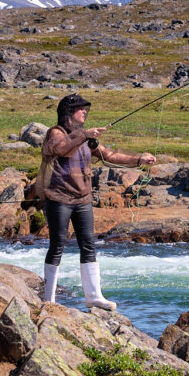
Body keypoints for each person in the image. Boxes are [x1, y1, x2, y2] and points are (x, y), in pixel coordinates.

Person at [37, 93, 154, 309]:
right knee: (57, 245)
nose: (85, 112)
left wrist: (138, 160)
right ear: (68, 113)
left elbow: (109, 155)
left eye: (85, 109)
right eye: (81, 109)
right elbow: (60, 148)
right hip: (58, 198)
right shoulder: (56, 133)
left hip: (82, 200)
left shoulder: (85, 138)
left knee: (88, 245)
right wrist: (83, 134)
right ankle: (49, 299)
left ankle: (93, 296)